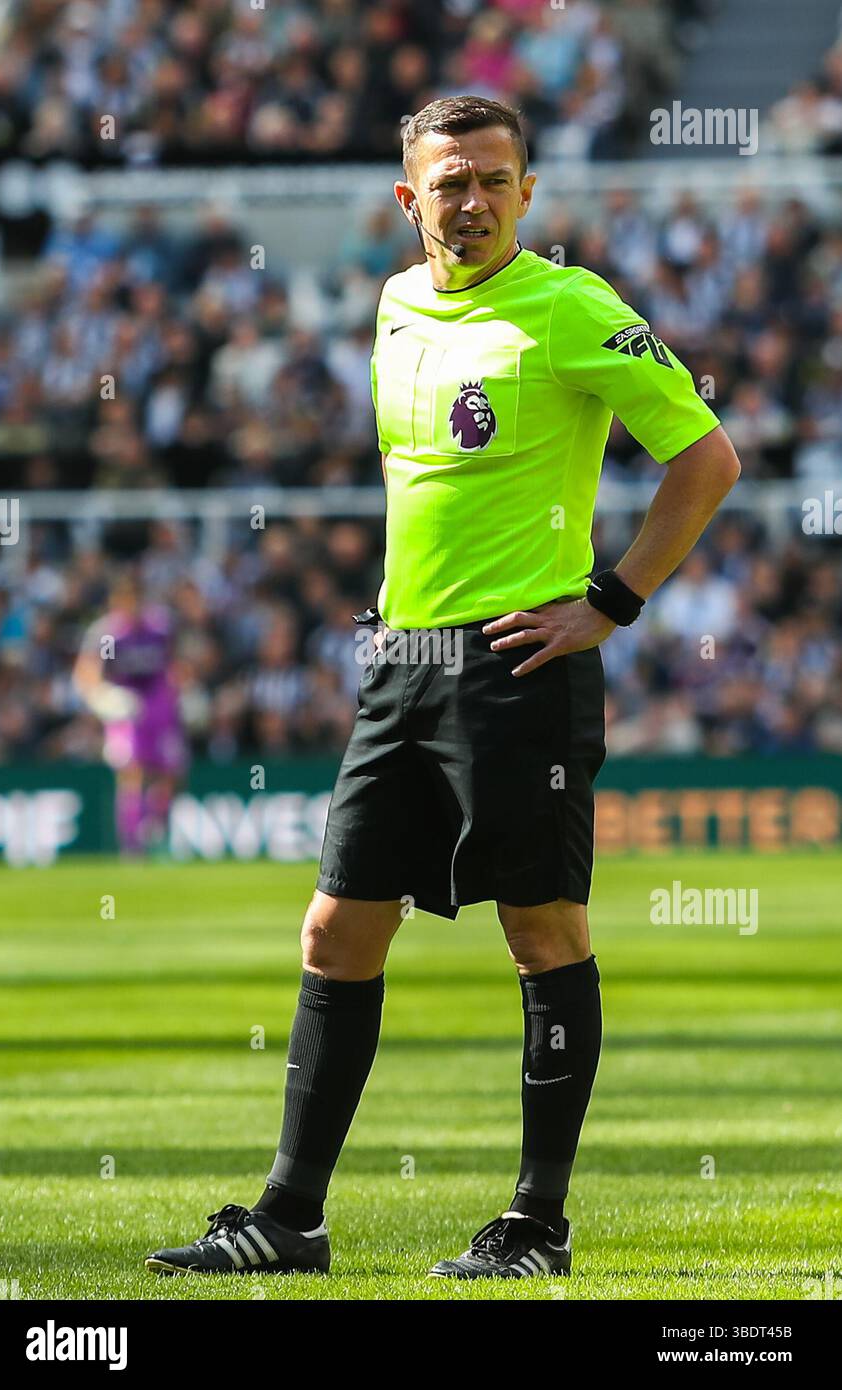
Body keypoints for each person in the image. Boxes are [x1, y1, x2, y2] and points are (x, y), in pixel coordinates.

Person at [145, 95, 740, 1280]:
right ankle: (290, 1217)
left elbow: (704, 458)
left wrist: (610, 600)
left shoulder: (572, 308)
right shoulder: (394, 303)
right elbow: (428, 484)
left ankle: (534, 1225)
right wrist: (391, 603)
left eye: (493, 179)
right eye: (448, 182)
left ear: (526, 194)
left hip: (522, 668)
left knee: (541, 931)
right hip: (403, 664)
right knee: (335, 928)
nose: (470, 200)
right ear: (406, 199)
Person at [74, 572, 186, 856]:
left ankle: (156, 829)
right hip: (126, 709)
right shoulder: (106, 634)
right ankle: (132, 847)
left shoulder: (160, 627)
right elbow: (86, 674)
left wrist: (184, 693)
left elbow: (174, 665)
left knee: (171, 771)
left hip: (160, 707)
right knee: (131, 772)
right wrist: (104, 697)